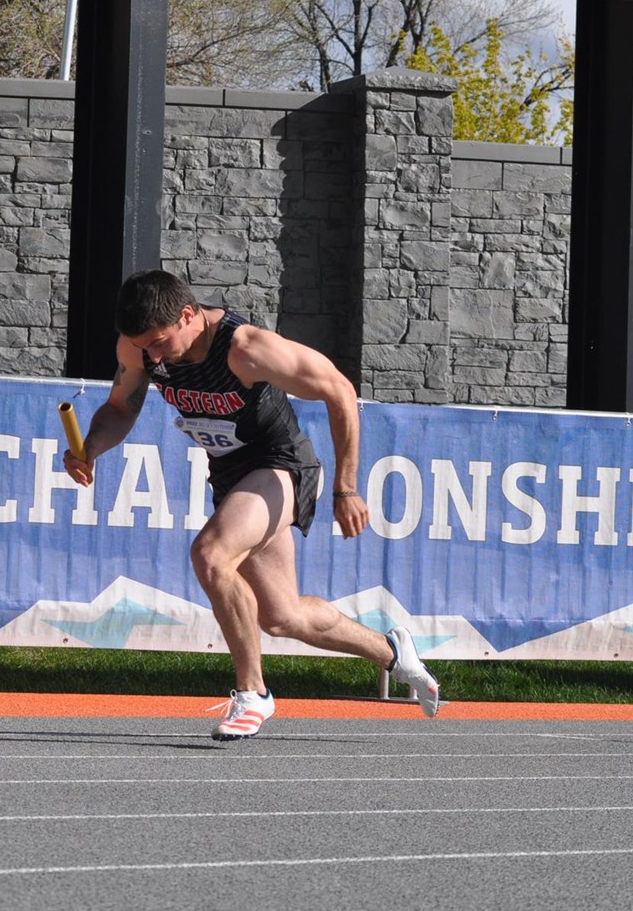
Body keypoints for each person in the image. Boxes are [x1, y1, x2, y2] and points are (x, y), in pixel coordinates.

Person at [63, 269, 440, 740]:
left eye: (159, 342)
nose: (153, 356)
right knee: (282, 617)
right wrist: (91, 447)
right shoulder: (138, 347)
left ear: (187, 315)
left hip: (282, 465)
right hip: (232, 478)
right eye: (145, 348)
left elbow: (340, 390)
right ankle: (394, 652)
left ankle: (252, 693)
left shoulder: (246, 348)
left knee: (211, 554)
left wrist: (346, 488)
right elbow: (121, 407)